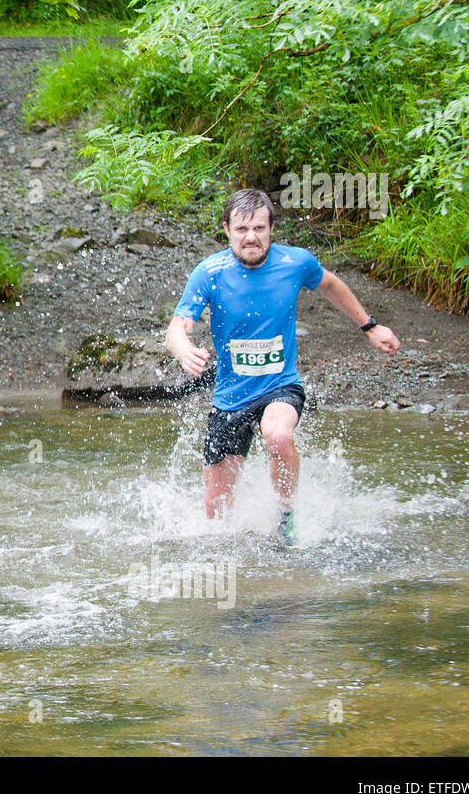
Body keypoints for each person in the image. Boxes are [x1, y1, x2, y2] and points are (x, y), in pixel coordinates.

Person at [164, 188, 400, 547]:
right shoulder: (209, 273)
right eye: (242, 229)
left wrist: (370, 326)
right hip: (230, 399)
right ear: (227, 229)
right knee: (214, 515)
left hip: (280, 386)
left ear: (271, 228)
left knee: (277, 434)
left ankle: (286, 516)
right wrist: (184, 350)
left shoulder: (295, 264)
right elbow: (177, 328)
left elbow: (332, 285)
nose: (251, 237)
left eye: (259, 228)